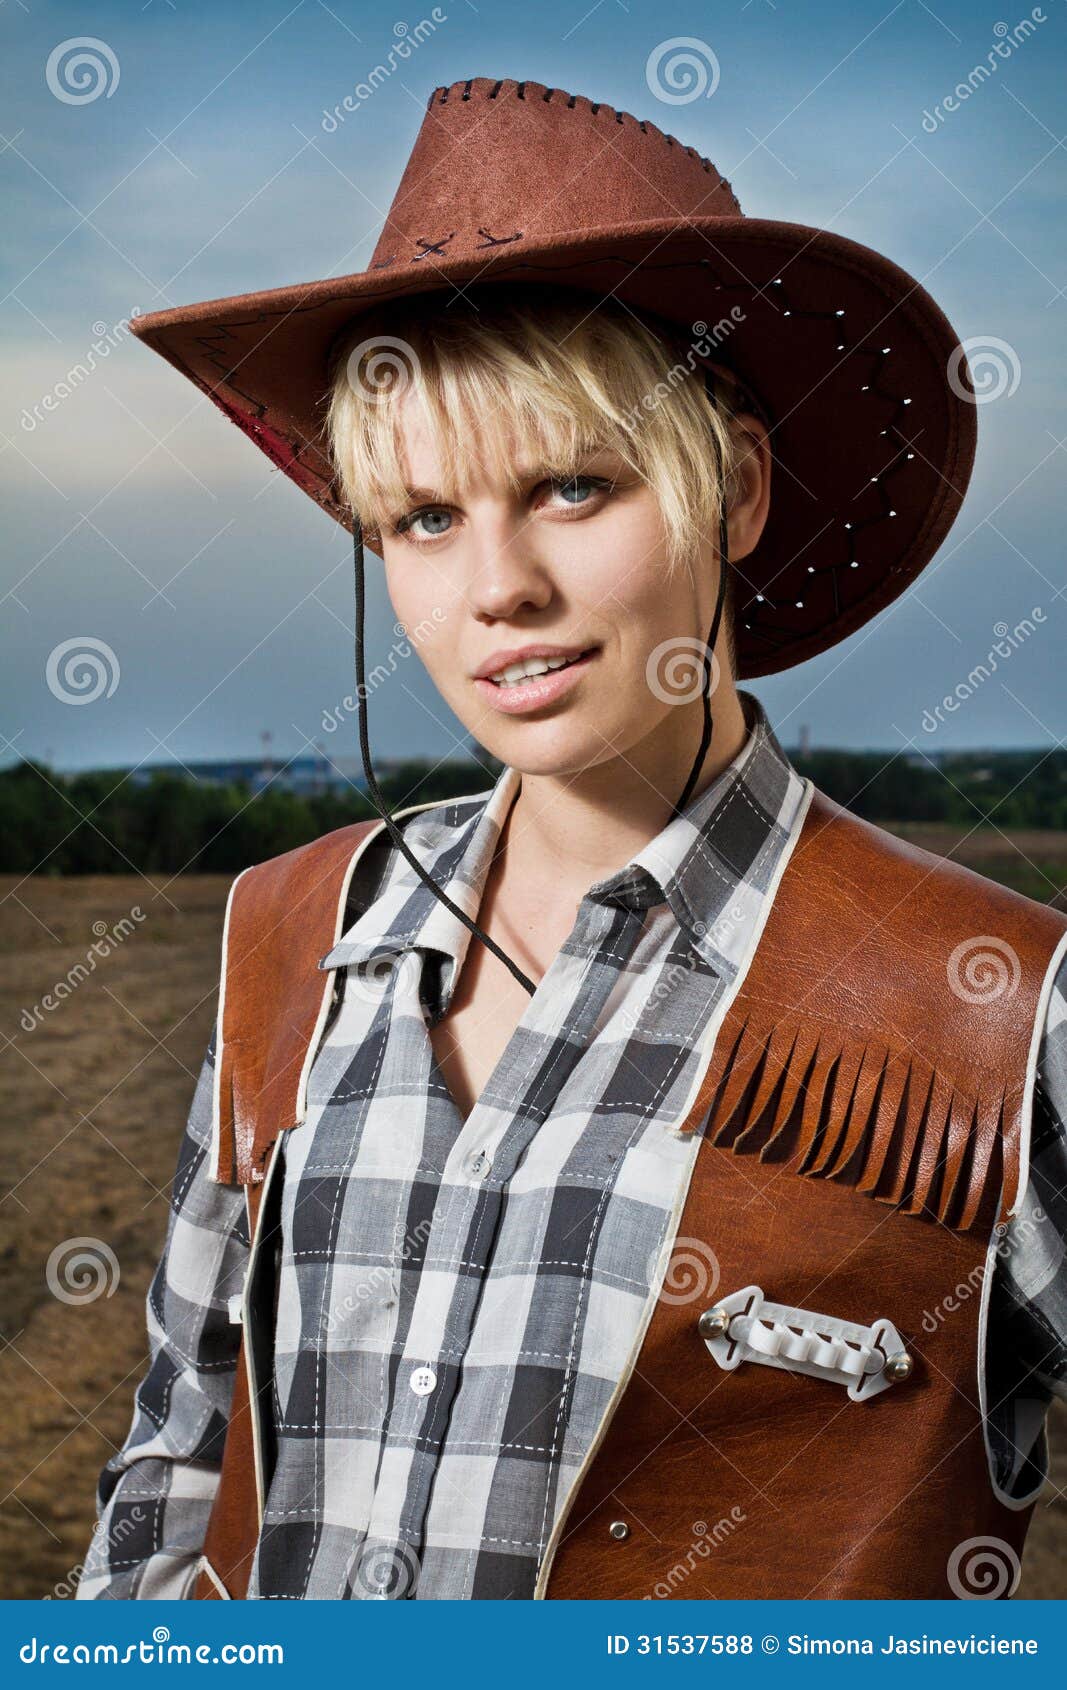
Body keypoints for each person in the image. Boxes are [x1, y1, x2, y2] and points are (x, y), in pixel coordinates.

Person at [77, 76, 1067, 1602]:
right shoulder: (283, 941)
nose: (499, 588)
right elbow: (174, 1461)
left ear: (732, 487)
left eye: (572, 486)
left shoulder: (997, 1007)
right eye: (420, 518)